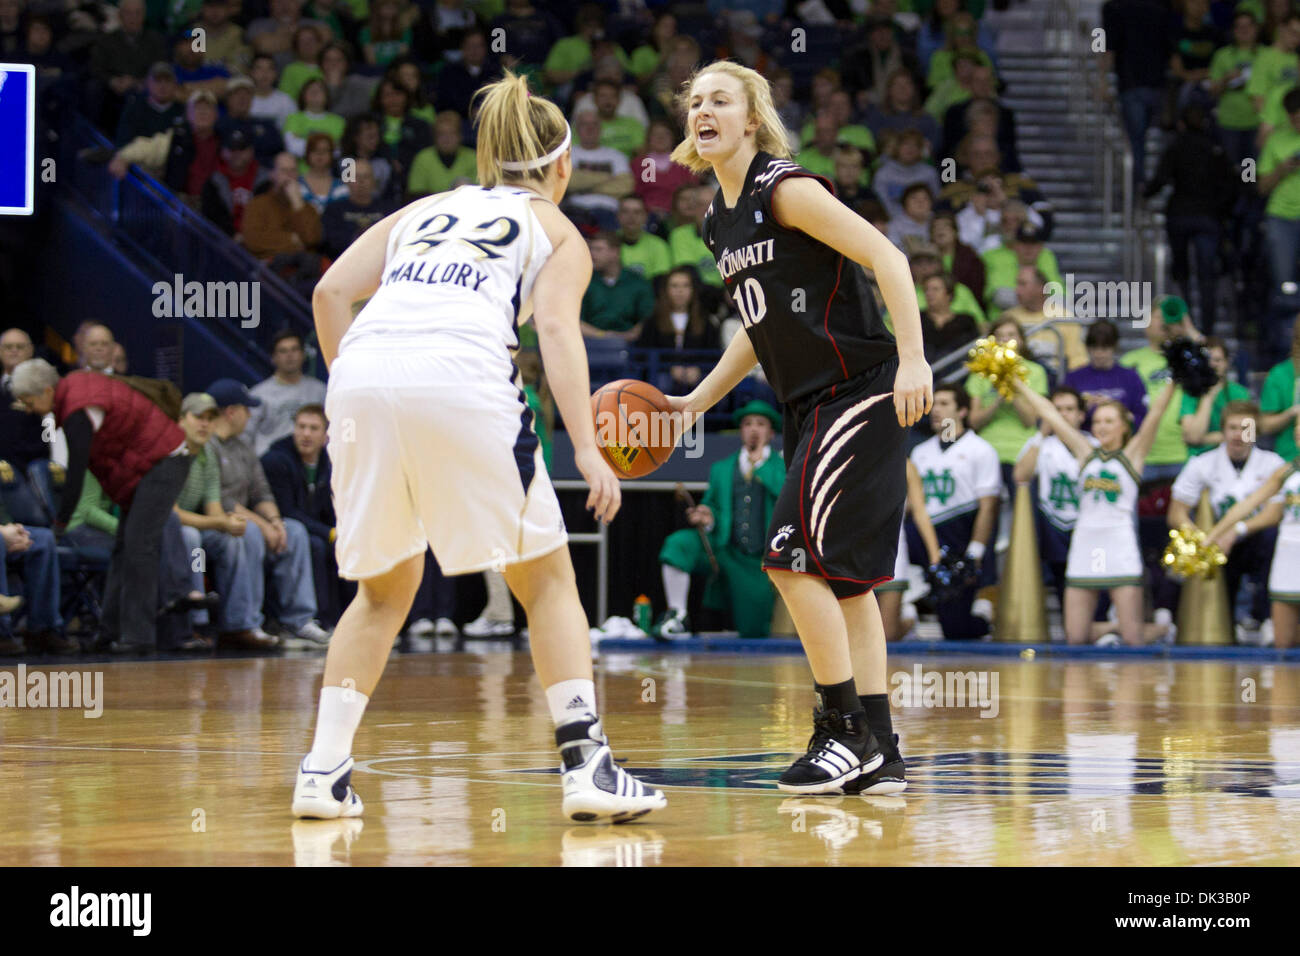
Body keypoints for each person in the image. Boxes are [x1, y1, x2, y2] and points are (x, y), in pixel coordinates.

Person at [297, 70, 666, 822]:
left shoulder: (424, 207)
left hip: (361, 379)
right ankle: (588, 766)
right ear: (562, 167)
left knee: (381, 593)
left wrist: (364, 395)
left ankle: (322, 774)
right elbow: (557, 334)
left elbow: (329, 294)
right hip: (461, 373)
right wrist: (590, 452)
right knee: (548, 580)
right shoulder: (558, 231)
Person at [666, 59, 933, 795]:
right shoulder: (719, 220)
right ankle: (880, 747)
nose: (703, 111)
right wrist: (696, 404)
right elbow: (758, 328)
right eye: (694, 103)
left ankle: (839, 729)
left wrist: (913, 358)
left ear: (752, 118)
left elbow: (887, 255)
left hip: (860, 390)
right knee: (847, 586)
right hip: (807, 404)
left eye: (720, 100)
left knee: (788, 558)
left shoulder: (783, 188)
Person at [11, 360, 188, 655]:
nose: (29, 410)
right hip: (150, 464)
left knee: (139, 547)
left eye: (29, 403)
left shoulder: (77, 409)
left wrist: (61, 522)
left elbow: (76, 472)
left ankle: (138, 636)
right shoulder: (76, 393)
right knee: (123, 547)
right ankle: (109, 633)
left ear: (46, 391)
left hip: (165, 460)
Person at [1010, 374, 1177, 645]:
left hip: (1119, 543)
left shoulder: (1132, 456)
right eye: (1098, 421)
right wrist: (1015, 381)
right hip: (1085, 542)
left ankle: (1154, 635)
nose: (1101, 426)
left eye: (1109, 421)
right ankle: (1125, 633)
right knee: (1075, 637)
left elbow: (1156, 413)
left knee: (1133, 637)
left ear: (1124, 426)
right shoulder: (1085, 452)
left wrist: (1174, 381)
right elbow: (1048, 413)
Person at [206, 378, 331, 646]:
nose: (250, 415)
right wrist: (263, 526)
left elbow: (261, 491)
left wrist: (274, 522)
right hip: (213, 522)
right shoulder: (208, 446)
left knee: (294, 530)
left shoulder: (242, 447)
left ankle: (299, 621)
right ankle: (244, 623)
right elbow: (221, 499)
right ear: (231, 412)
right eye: (246, 409)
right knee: (249, 531)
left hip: (245, 518)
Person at [656, 401, 785, 639]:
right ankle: (678, 614)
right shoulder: (722, 469)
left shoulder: (782, 466)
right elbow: (712, 505)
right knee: (679, 544)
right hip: (724, 548)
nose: (753, 429)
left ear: (771, 432)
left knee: (754, 630)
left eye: (760, 424)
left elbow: (786, 496)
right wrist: (707, 517)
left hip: (758, 559)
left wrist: (760, 466)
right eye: (748, 424)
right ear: (741, 431)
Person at [172, 391, 276, 650]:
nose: (205, 424)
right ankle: (197, 621)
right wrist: (220, 522)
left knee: (235, 537)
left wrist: (229, 522)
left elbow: (213, 508)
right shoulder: (171, 452)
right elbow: (172, 513)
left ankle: (238, 624)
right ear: (181, 420)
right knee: (192, 538)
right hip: (167, 529)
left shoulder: (207, 455)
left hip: (195, 524)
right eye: (198, 417)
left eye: (210, 418)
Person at [1169, 401, 1283, 632]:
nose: (1238, 435)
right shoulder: (1201, 464)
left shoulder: (1273, 463)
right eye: (1232, 427)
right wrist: (1201, 540)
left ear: (1256, 431)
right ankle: (1182, 622)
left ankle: (1265, 620)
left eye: (1245, 428)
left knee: (1273, 539)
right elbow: (1177, 513)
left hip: (1255, 539)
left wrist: (1235, 531)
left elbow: (1274, 514)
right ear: (1222, 430)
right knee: (1184, 549)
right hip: (1213, 543)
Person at [909, 384, 1001, 640]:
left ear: (962, 411)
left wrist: (976, 551)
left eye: (944, 404)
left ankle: (984, 612)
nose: (936, 410)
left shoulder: (981, 450)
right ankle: (913, 595)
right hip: (925, 536)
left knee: (955, 628)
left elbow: (989, 505)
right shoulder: (920, 451)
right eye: (934, 404)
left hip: (960, 536)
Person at [262, 403, 353, 627]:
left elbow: (334, 506)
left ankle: (349, 621)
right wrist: (330, 533)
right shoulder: (276, 459)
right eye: (301, 427)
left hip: (314, 527)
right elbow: (288, 510)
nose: (305, 434)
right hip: (280, 528)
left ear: (326, 435)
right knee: (316, 545)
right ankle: (313, 620)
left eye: (313, 428)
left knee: (348, 547)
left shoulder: (330, 461)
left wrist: (342, 532)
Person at [1013, 385, 1098, 605]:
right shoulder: (1042, 444)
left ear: (1081, 414)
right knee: (1065, 593)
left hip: (1090, 527)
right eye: (1057, 409)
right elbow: (1021, 476)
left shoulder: (1096, 444)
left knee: (1097, 591)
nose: (1062, 414)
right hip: (1056, 527)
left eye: (1069, 409)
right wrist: (1042, 432)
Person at [1208, 451, 1300, 647]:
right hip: (1287, 555)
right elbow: (1249, 505)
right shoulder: (1284, 473)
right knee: (1283, 642)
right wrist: (1212, 536)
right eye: (1297, 429)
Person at [967, 316, 1050, 496]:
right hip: (986, 450)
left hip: (1021, 451)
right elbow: (974, 421)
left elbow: (1030, 421)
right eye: (999, 335)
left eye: (1011, 334)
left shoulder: (1036, 371)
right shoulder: (980, 373)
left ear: (1021, 340)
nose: (1005, 339)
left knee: (1024, 512)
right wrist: (998, 397)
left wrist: (1011, 389)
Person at [877, 459, 942, 642]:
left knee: (887, 635)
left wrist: (935, 555)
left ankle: (908, 618)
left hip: (892, 551)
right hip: (853, 549)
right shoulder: (846, 455)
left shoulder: (905, 466)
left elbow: (920, 512)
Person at [246, 330, 328, 456]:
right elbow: (246, 435)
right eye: (283, 351)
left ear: (303, 354)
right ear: (273, 358)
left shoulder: (321, 391)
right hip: (270, 464)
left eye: (294, 349)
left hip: (310, 464)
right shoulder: (257, 395)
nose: (290, 355)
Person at [1180, 337, 1252, 455]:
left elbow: (1249, 435)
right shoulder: (1191, 393)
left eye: (1218, 360)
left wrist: (1203, 439)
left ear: (1227, 362)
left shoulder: (1240, 393)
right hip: (1199, 462)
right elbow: (1193, 437)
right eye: (1208, 360)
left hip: (1232, 460)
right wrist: (1208, 396)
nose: (1212, 365)